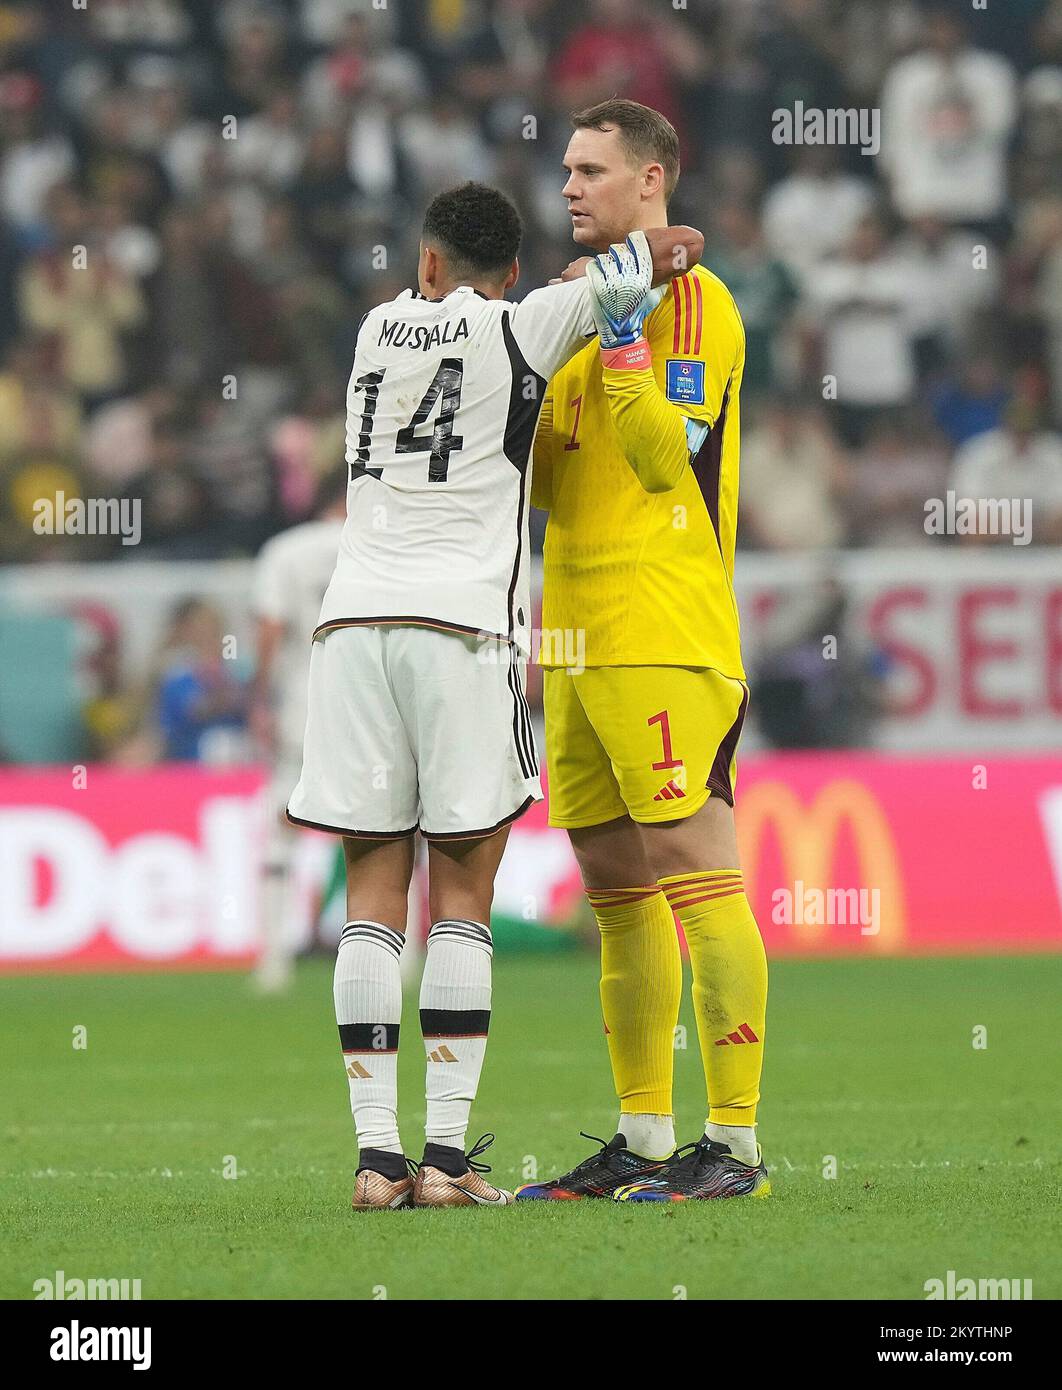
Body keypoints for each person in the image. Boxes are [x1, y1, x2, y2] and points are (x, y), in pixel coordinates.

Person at [285, 179, 698, 1210]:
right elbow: (676, 246)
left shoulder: (376, 331)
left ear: (424, 265)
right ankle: (448, 1159)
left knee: (372, 898)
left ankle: (376, 1161)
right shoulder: (525, 325)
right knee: (460, 894)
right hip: (460, 628)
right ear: (508, 274)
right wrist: (594, 277)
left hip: (351, 629)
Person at [517, 99, 769, 1203]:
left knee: (696, 876)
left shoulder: (699, 309)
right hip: (570, 642)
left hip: (662, 628)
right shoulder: (570, 316)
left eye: (590, 169)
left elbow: (670, 462)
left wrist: (625, 337)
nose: (568, 185)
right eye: (564, 168)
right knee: (616, 893)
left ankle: (736, 1145)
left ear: (653, 177)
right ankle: (643, 1134)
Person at [249, 472, 347, 993]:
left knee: (281, 826)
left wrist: (258, 697)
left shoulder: (285, 551)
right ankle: (404, 961)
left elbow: (270, 628)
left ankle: (271, 964)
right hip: (374, 707)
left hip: (304, 709)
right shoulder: (384, 539)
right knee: (395, 829)